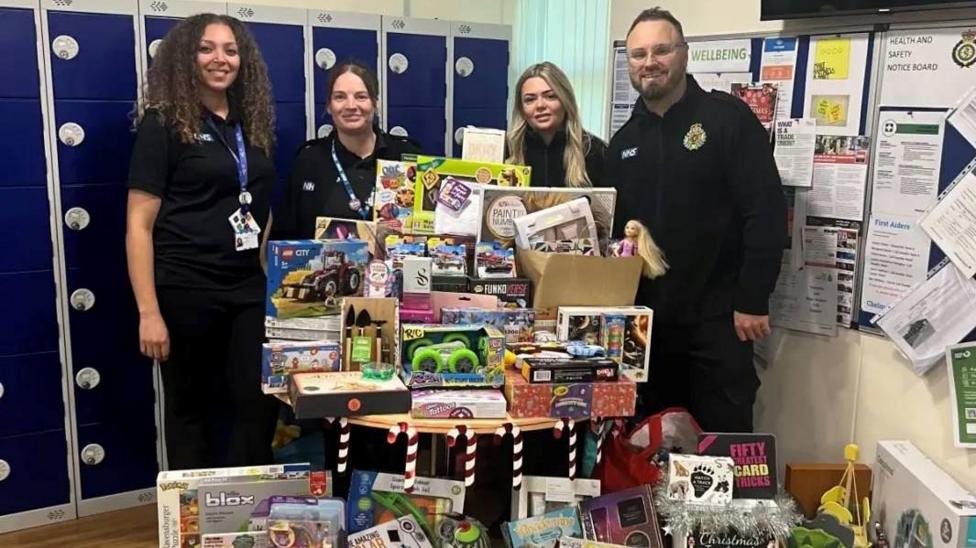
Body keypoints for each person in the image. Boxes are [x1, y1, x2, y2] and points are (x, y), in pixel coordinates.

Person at [606, 8, 787, 432]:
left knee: (723, 443)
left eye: (661, 50)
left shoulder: (727, 119)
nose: (649, 61)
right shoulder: (624, 141)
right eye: (637, 54)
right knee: (650, 444)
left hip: (720, 321)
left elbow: (765, 212)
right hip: (648, 327)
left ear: (684, 55)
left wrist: (753, 299)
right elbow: (615, 233)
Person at [126, 13, 279, 469]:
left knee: (259, 399)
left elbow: (259, 203)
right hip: (184, 286)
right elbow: (138, 224)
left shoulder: (249, 125)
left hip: (246, 288)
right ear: (187, 57)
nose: (220, 59)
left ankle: (246, 509)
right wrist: (148, 312)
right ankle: (194, 525)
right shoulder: (164, 124)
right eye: (207, 48)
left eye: (230, 50)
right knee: (189, 407)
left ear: (243, 60)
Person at [269, 60, 420, 240]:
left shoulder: (405, 156)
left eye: (361, 96)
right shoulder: (309, 161)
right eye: (340, 97)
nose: (350, 105)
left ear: (375, 103)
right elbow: (287, 234)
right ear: (329, 106)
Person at [506, 62, 606, 187]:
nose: (540, 105)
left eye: (550, 96)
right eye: (530, 99)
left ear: (565, 101)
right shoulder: (507, 149)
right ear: (521, 108)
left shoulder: (595, 151)